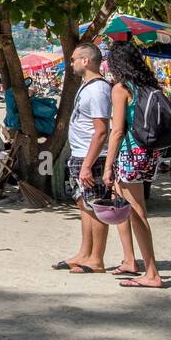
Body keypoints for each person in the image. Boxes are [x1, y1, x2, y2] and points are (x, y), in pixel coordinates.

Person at [104, 41, 165, 289]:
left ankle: (152, 273)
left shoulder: (121, 88)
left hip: (131, 152)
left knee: (137, 212)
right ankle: (132, 261)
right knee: (126, 207)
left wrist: (108, 164)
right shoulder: (147, 85)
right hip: (149, 151)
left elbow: (117, 131)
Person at [53, 43, 118, 275]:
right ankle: (85, 252)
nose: (70, 63)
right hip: (80, 154)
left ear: (85, 61)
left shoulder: (98, 89)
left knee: (96, 205)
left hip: (92, 157)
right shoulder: (87, 86)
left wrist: (88, 165)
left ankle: (96, 259)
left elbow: (101, 130)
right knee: (83, 204)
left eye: (73, 59)